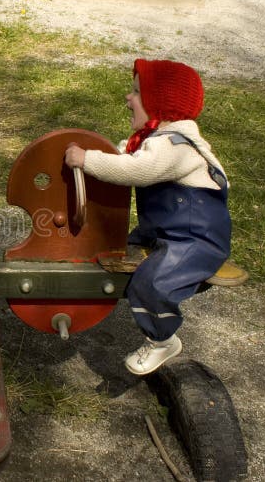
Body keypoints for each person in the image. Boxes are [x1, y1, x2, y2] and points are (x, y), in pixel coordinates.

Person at [65, 59, 231, 375]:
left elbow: (136, 169)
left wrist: (86, 159)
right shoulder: (158, 139)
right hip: (167, 231)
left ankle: (162, 340)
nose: (129, 98)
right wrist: (99, 156)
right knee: (116, 251)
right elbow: (126, 157)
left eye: (138, 93)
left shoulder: (176, 146)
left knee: (152, 281)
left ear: (161, 104)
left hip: (196, 240)